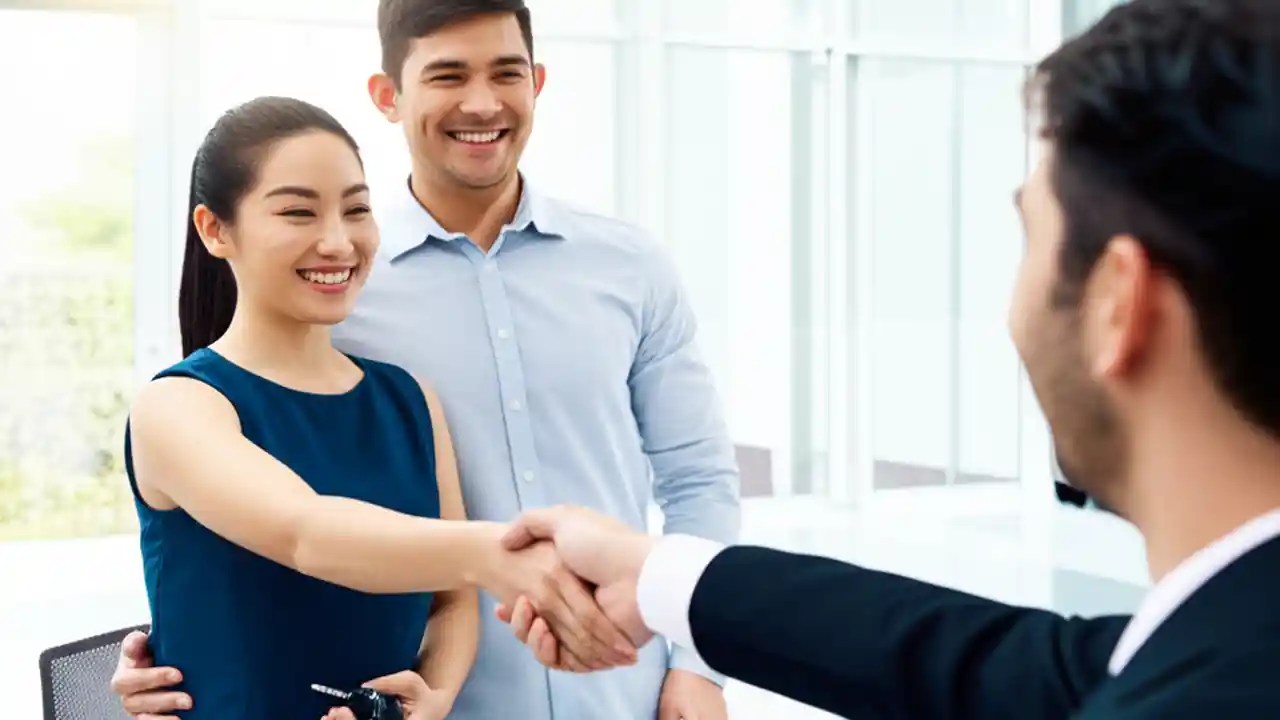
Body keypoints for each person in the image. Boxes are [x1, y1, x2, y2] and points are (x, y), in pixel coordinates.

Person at [489, 1, 1280, 718]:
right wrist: (660, 576)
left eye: (1030, 236)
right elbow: (1019, 669)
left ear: (1117, 301)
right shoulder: (1225, 638)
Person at [111, 1, 740, 719]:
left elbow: (699, 480)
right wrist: (176, 644)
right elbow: (282, 528)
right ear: (389, 95)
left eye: (353, 209)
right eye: (448, 74)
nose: (338, 242)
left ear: (537, 82)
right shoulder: (332, 310)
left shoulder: (623, 271)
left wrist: (699, 669)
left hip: (615, 692)